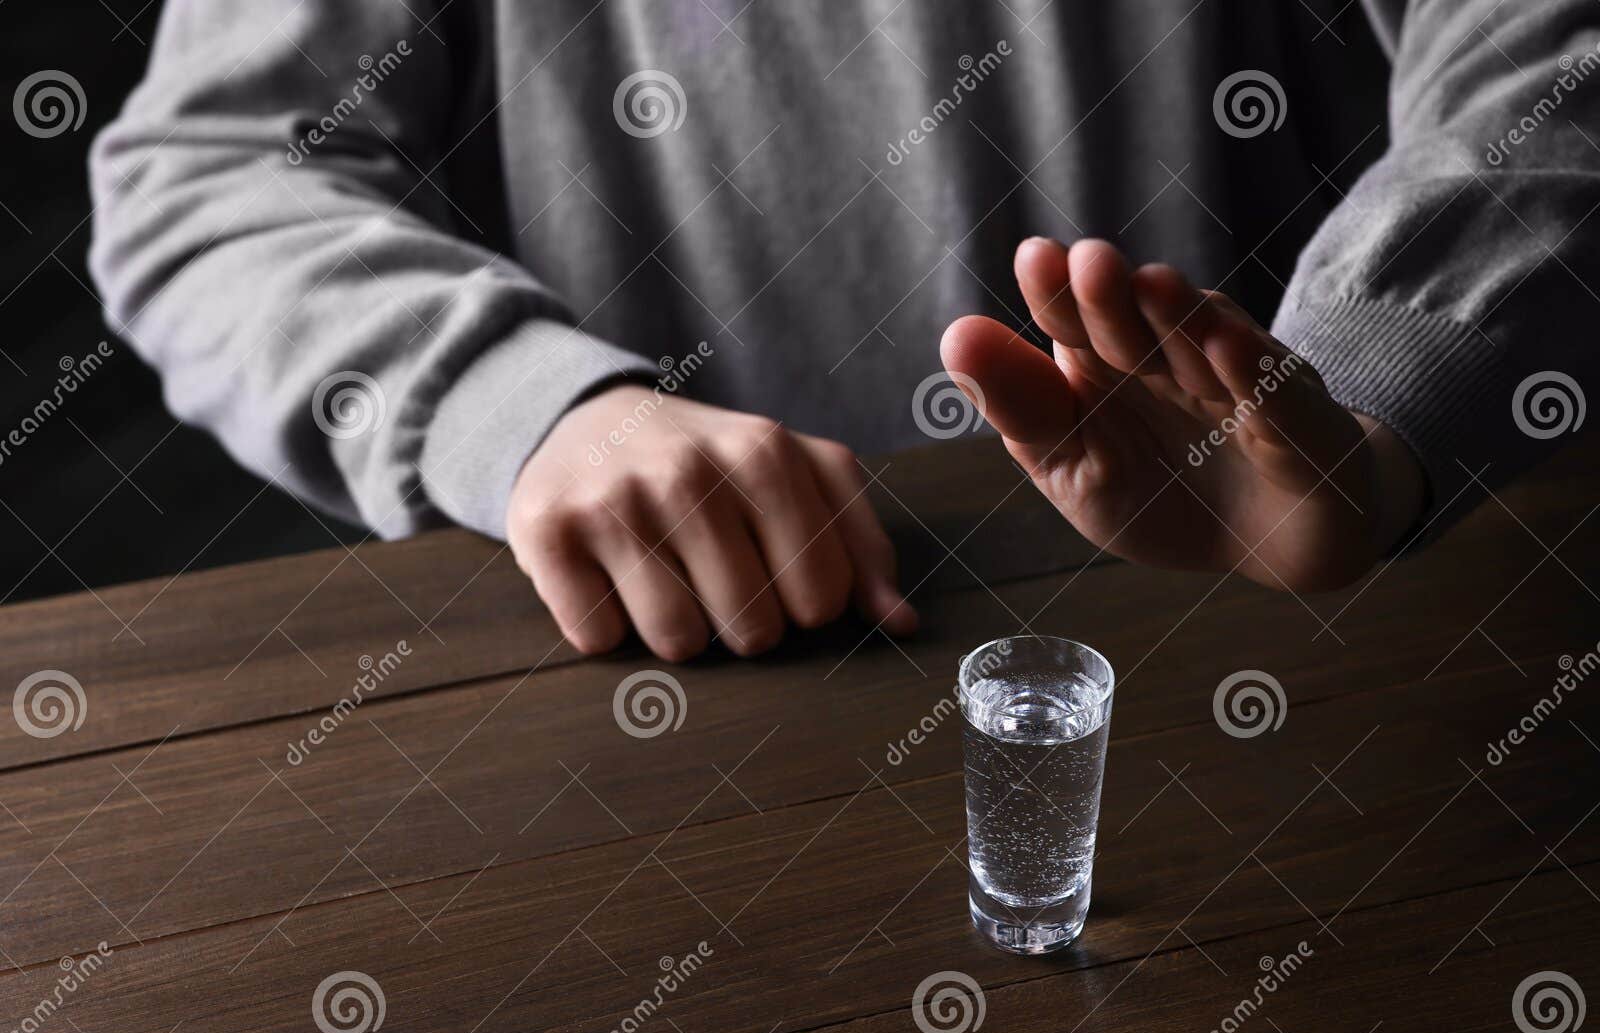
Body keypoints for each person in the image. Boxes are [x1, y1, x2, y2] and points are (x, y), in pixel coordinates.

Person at [90, 1, 1593, 661]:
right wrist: (525, 406)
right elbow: (207, 175)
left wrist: (1378, 404)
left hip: (1313, 663)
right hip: (671, 679)